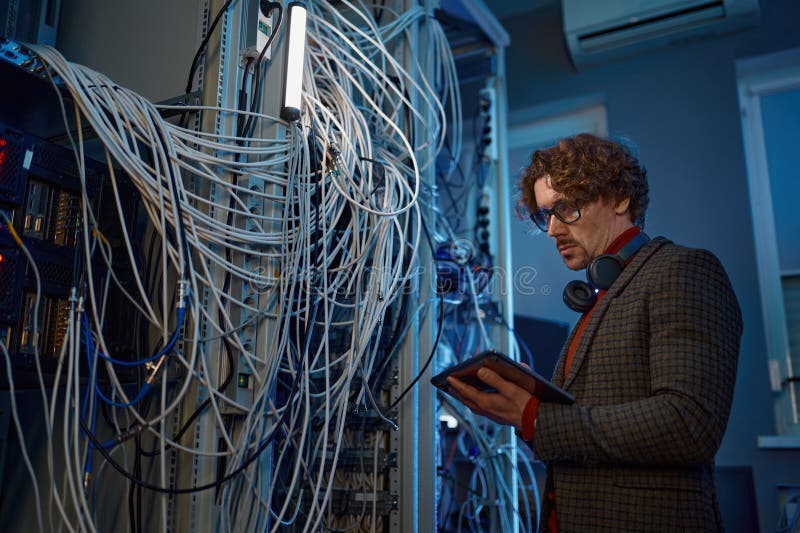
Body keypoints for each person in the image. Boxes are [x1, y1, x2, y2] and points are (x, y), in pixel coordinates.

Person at [446, 133, 742, 532]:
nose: (551, 230)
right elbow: (590, 435)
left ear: (620, 198)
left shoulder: (682, 270)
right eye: (543, 215)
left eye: (565, 208)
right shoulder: (606, 292)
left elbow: (688, 424)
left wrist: (535, 416)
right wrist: (527, 406)